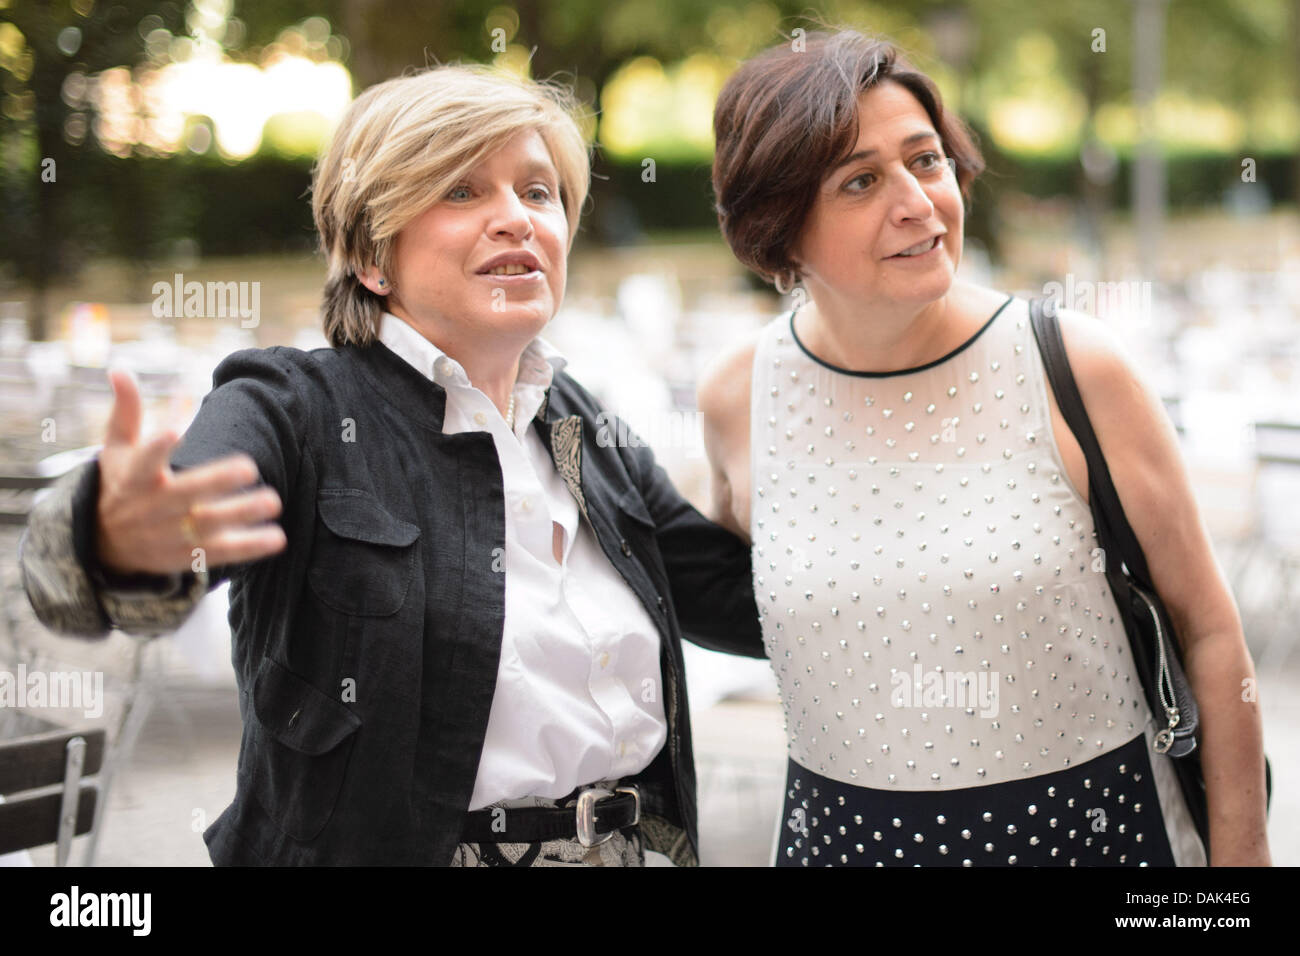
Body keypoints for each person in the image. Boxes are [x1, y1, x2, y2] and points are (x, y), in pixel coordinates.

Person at [19, 63, 764, 867]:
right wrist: (116, 541)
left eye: (538, 191)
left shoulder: (578, 420)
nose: (516, 218)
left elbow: (736, 600)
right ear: (371, 256)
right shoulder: (291, 406)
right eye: (461, 192)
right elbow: (113, 562)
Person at [697, 29, 1271, 866]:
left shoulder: (1073, 365)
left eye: (925, 161)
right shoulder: (737, 394)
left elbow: (1211, 634)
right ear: (778, 231)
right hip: (843, 844)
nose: (919, 204)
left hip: (1092, 837)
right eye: (861, 180)